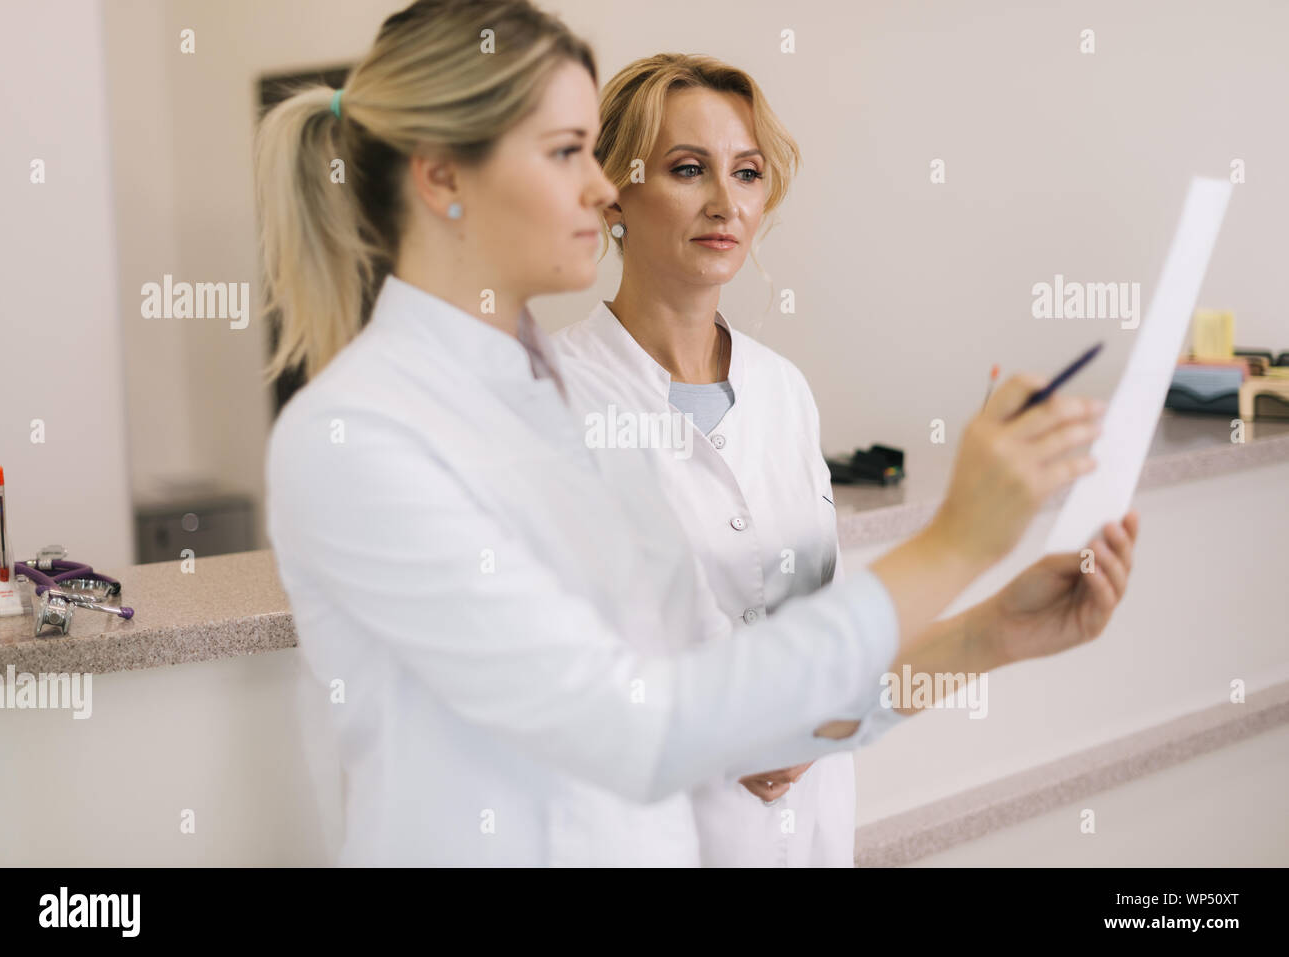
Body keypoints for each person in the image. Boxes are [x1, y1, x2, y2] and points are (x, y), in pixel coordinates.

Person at [256, 0, 1137, 866]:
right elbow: (638, 728)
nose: (601, 183)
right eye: (567, 152)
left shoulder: (544, 399)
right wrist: (955, 544)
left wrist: (992, 634)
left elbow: (743, 711)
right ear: (443, 176)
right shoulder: (355, 436)